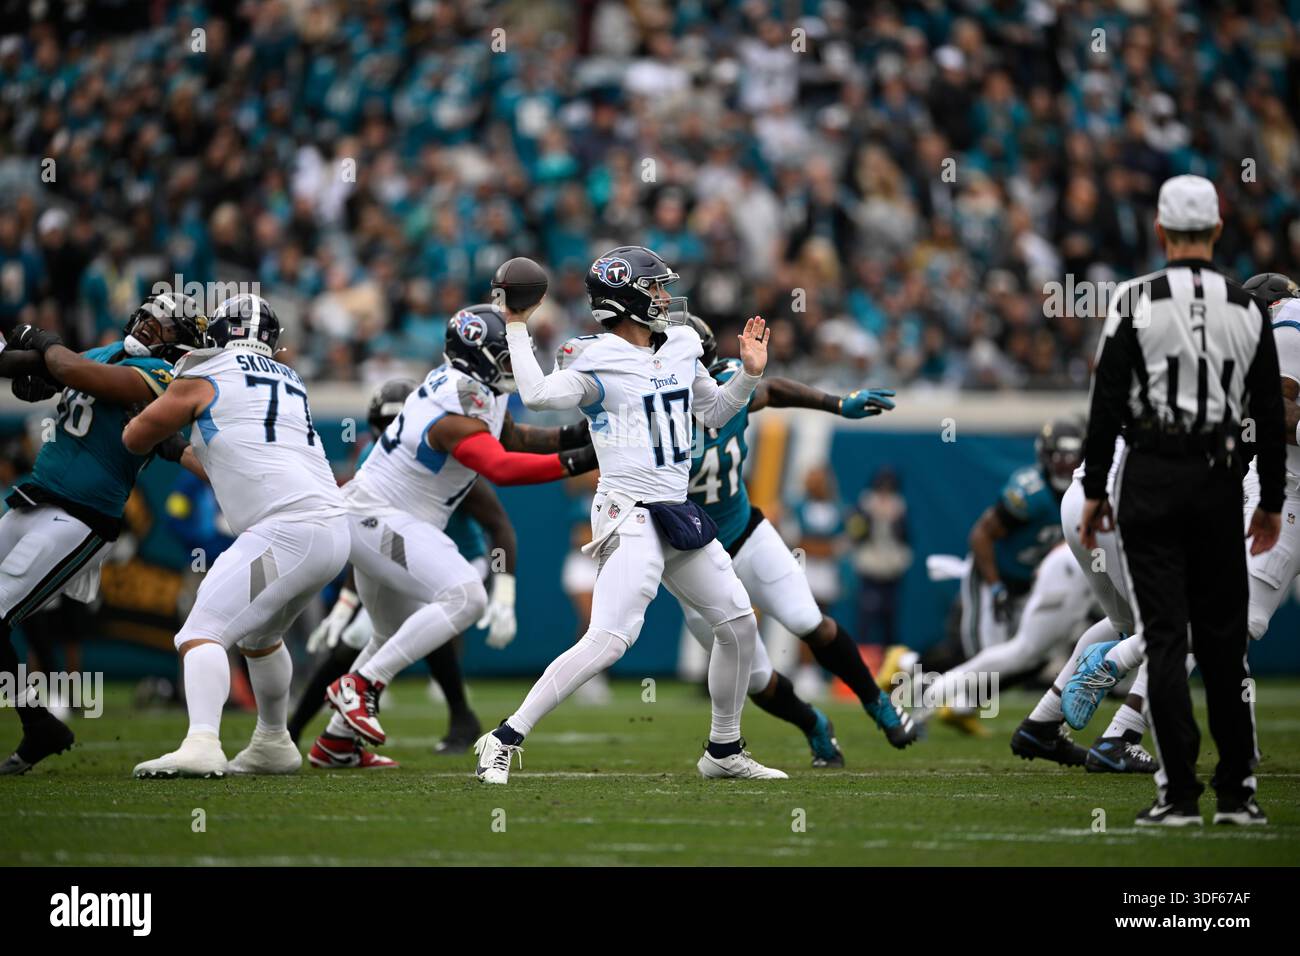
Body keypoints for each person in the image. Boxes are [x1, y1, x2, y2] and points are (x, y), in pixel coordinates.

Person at [475, 246, 785, 783]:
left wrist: (749, 376)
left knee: (738, 625)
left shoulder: (685, 343)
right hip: (628, 511)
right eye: (656, 288)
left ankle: (724, 749)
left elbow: (712, 411)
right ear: (627, 298)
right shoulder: (594, 356)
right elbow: (540, 394)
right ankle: (502, 738)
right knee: (611, 639)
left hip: (675, 507)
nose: (665, 297)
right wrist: (517, 326)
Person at [1079, 174, 1285, 827]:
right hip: (1218, 477)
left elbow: (1105, 401)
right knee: (1223, 643)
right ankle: (1235, 793)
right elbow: (1270, 417)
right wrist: (1272, 498)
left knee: (1166, 637)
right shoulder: (1249, 307)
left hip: (1150, 473)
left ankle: (1178, 796)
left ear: (1161, 231)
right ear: (1218, 229)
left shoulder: (1135, 302)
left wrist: (1091, 489)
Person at [319, 304, 596, 755]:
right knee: (467, 596)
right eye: (501, 353)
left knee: (389, 634)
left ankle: (336, 741)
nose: (509, 363)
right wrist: (583, 459)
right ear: (476, 356)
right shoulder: (452, 404)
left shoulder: (478, 391)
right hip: (378, 517)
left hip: (383, 520)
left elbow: (513, 437)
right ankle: (360, 685)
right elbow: (502, 468)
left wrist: (578, 434)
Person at [124, 293, 352, 778]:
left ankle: (202, 742)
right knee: (260, 635)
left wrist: (151, 414)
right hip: (332, 529)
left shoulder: (206, 374)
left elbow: (134, 437)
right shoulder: (291, 380)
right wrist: (183, 444)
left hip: (286, 529)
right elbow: (232, 453)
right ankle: (273, 742)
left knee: (201, 629)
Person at [676, 314, 915, 767]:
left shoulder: (730, 383)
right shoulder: (652, 408)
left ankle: (875, 701)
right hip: (692, 559)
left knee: (810, 620)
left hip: (744, 532)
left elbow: (775, 389)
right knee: (756, 676)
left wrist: (839, 403)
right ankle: (814, 724)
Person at [0, 293, 206, 774]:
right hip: (35, 497)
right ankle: (39, 726)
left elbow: (75, 373)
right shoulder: (99, 352)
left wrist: (47, 343)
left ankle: (39, 724)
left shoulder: (164, 376)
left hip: (80, 516)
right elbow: (33, 365)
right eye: (150, 317)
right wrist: (24, 360)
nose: (152, 326)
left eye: (166, 327)